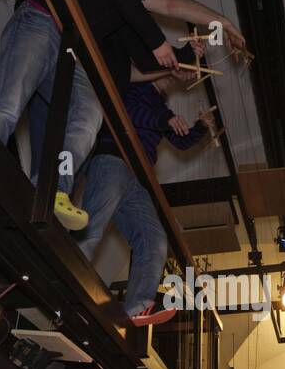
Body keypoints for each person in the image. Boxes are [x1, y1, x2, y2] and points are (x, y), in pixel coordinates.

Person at [0, 0, 177, 231]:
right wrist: (161, 43)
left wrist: (179, 56)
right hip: (41, 21)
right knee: (8, 102)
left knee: (88, 117)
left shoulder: (120, 2)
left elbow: (138, 49)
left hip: (74, 53)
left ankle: (52, 188)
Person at [75, 70, 215, 326]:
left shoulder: (161, 108)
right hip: (114, 159)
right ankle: (69, 277)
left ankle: (137, 306)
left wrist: (201, 128)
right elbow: (128, 113)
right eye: (169, 72)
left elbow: (180, 141)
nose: (173, 77)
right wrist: (166, 119)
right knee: (94, 223)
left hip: (138, 176)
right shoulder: (134, 88)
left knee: (154, 240)